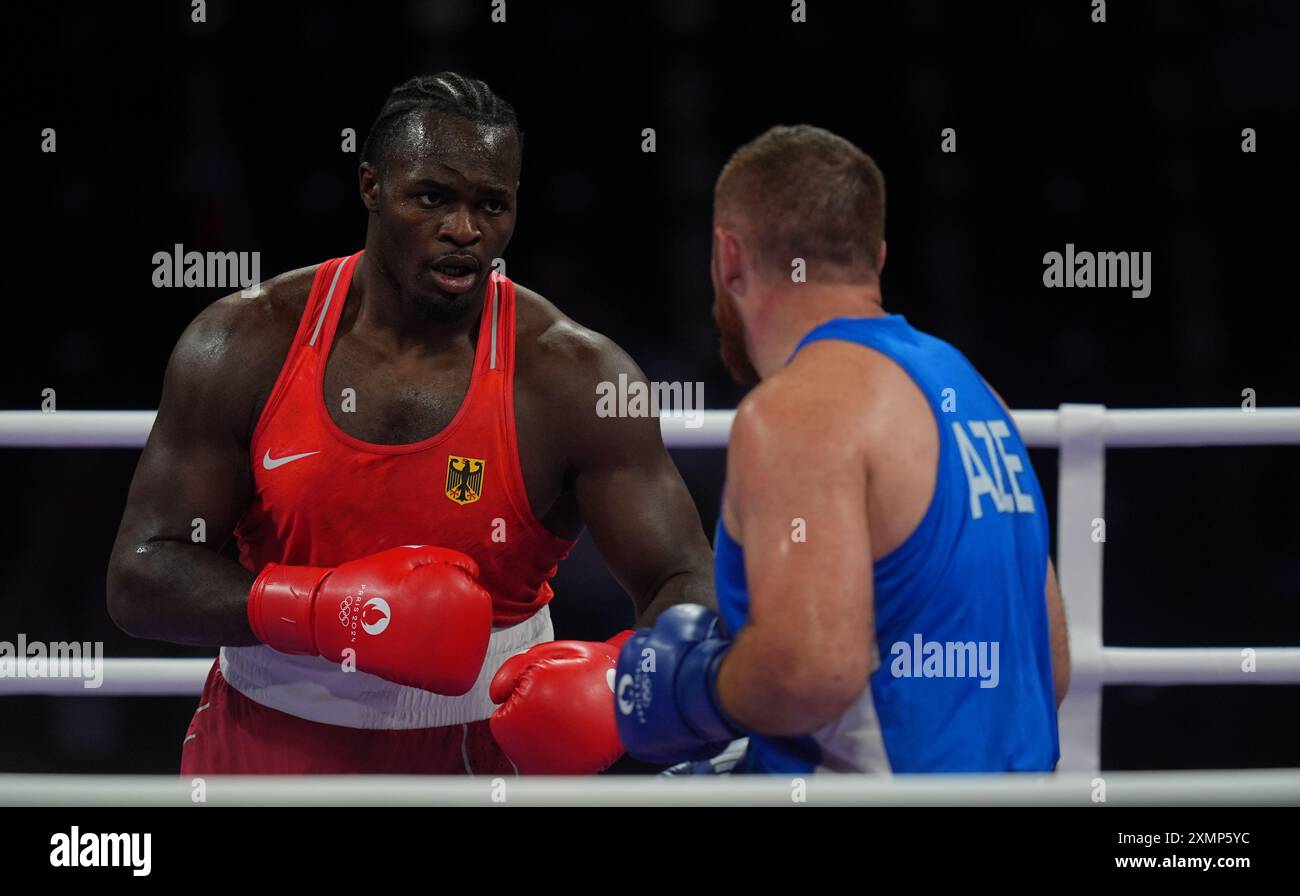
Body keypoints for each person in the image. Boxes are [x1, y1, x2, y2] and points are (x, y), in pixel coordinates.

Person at [106, 73, 713, 775]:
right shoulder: (245, 343)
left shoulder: (574, 378)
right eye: (432, 198)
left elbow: (684, 581)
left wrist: (615, 686)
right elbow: (140, 576)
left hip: (482, 752)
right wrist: (323, 611)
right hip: (266, 747)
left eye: (492, 205)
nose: (465, 230)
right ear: (370, 186)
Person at [615, 125, 1070, 773]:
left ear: (728, 258)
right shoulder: (972, 390)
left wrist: (691, 691)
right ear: (877, 258)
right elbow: (1046, 662)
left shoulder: (794, 411)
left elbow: (810, 671)